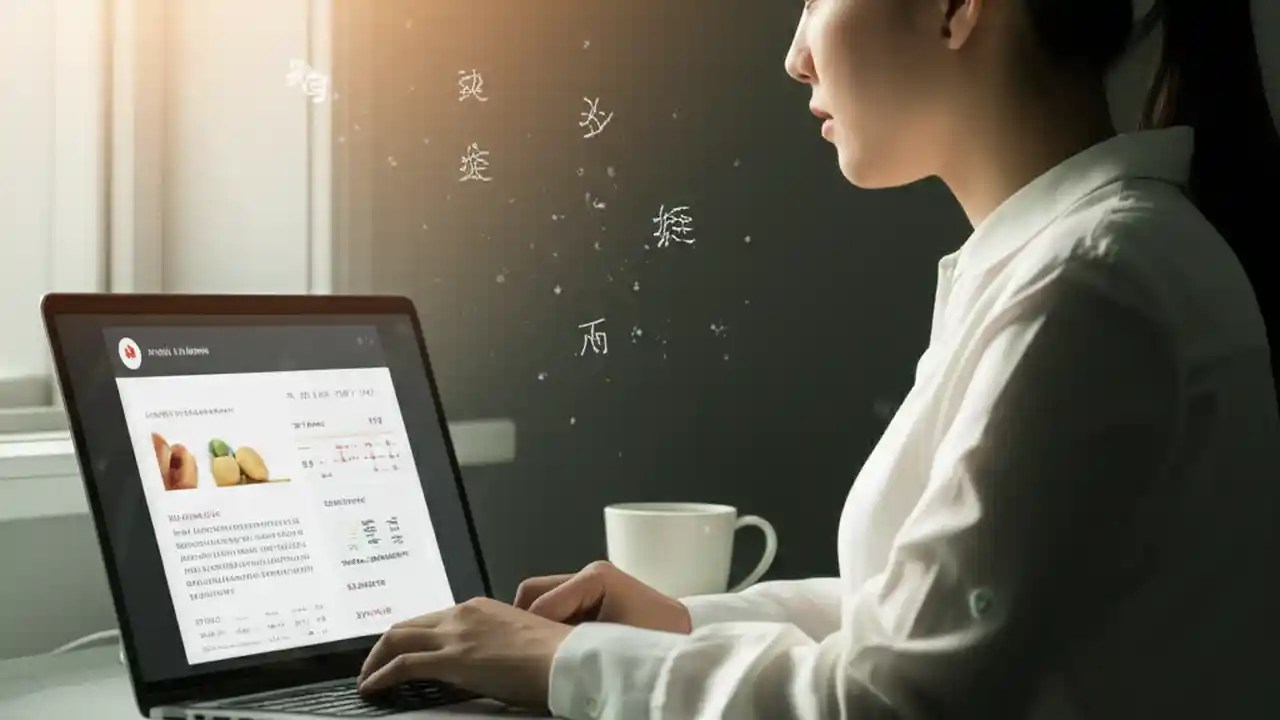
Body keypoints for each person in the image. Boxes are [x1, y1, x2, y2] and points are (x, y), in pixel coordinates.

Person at [358, 0, 1280, 717]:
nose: (795, 54)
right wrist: (682, 621)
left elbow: (890, 702)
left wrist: (563, 664)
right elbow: (921, 616)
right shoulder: (1074, 261)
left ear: (957, 8)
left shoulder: (1091, 286)